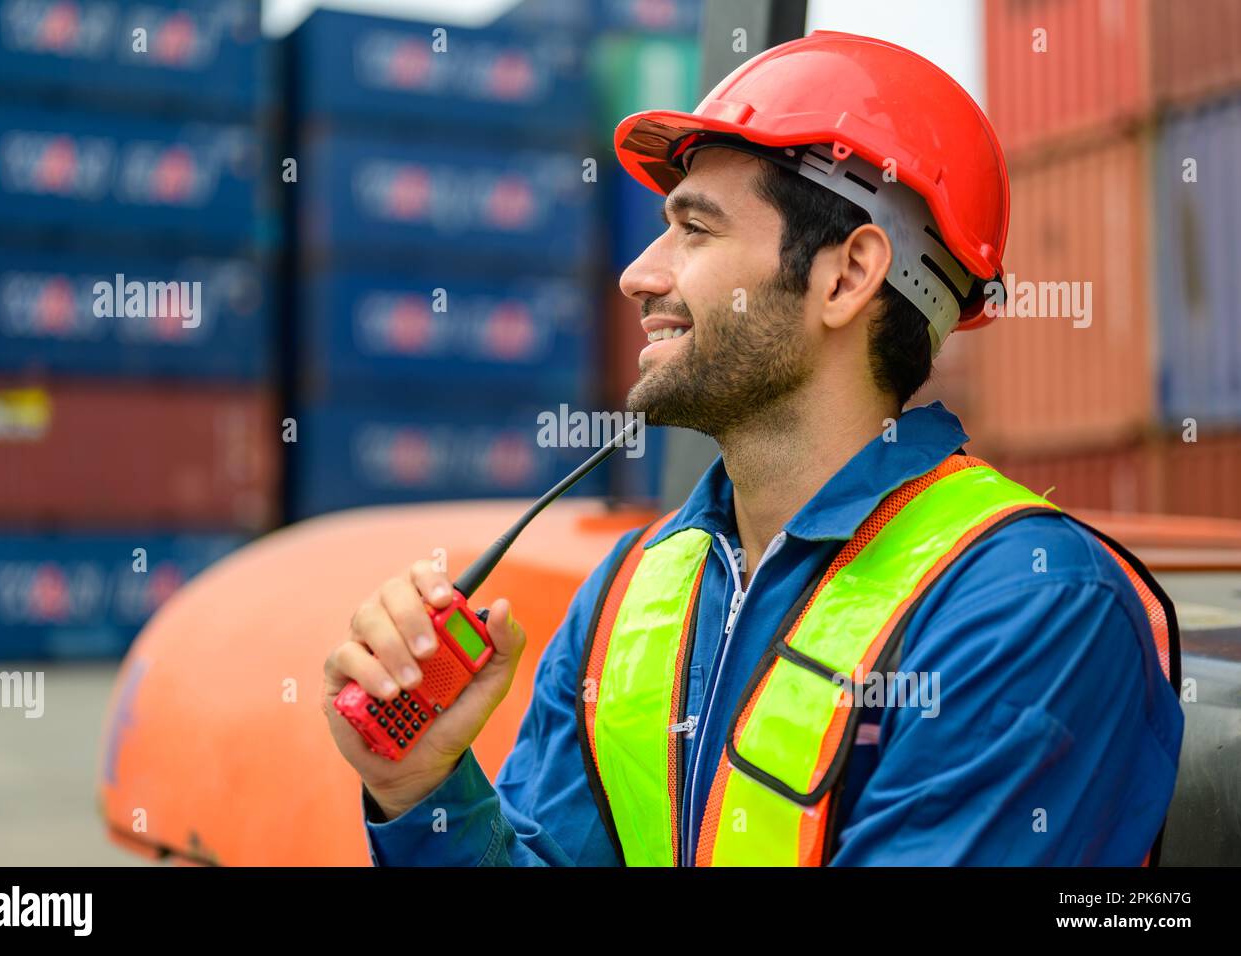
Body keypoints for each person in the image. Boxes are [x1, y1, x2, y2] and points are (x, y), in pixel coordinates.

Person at [323, 31, 1183, 866]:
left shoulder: (1030, 611)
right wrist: (424, 793)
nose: (639, 274)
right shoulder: (630, 593)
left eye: (694, 230)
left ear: (846, 277)